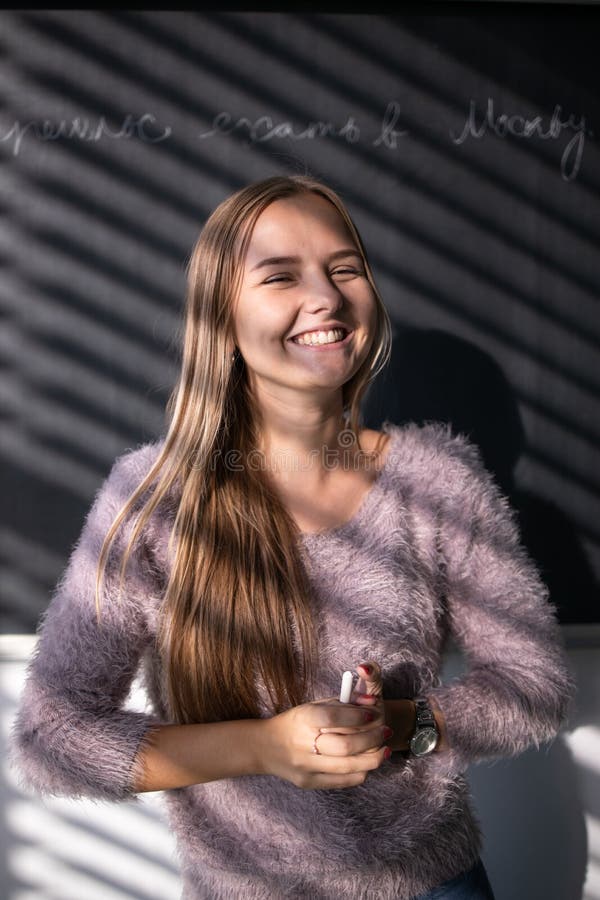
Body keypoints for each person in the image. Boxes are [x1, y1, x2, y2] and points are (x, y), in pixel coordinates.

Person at [10, 174, 575, 900]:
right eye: (281, 275)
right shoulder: (154, 498)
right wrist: (266, 748)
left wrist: (403, 726)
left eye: (346, 269)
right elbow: (52, 738)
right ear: (221, 317)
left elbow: (534, 686)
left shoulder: (438, 480)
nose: (330, 297)